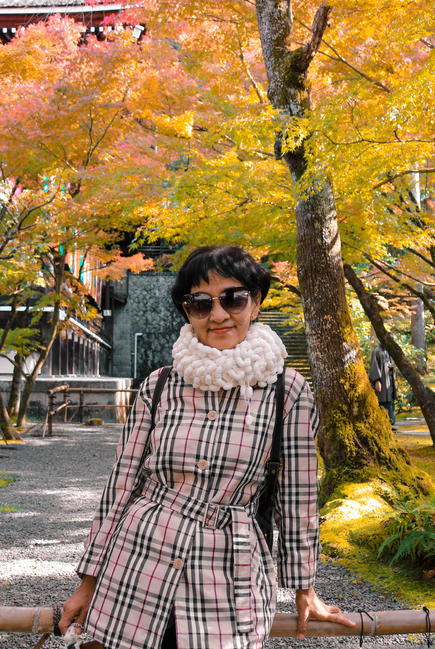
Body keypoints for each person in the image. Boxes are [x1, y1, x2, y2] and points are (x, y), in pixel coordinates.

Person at [59, 245, 354, 649]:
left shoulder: (288, 391)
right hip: (137, 564)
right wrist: (87, 582)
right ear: (187, 311)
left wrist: (304, 588)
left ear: (256, 302)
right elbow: (120, 487)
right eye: (201, 303)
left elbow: (299, 497)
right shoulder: (159, 384)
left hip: (229, 573)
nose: (218, 314)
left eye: (233, 298)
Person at [368, 344, 397, 429]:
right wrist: (377, 381)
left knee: (390, 401)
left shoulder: (387, 350)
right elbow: (374, 366)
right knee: (382, 400)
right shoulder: (377, 351)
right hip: (382, 381)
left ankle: (390, 423)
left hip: (389, 380)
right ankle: (383, 424)